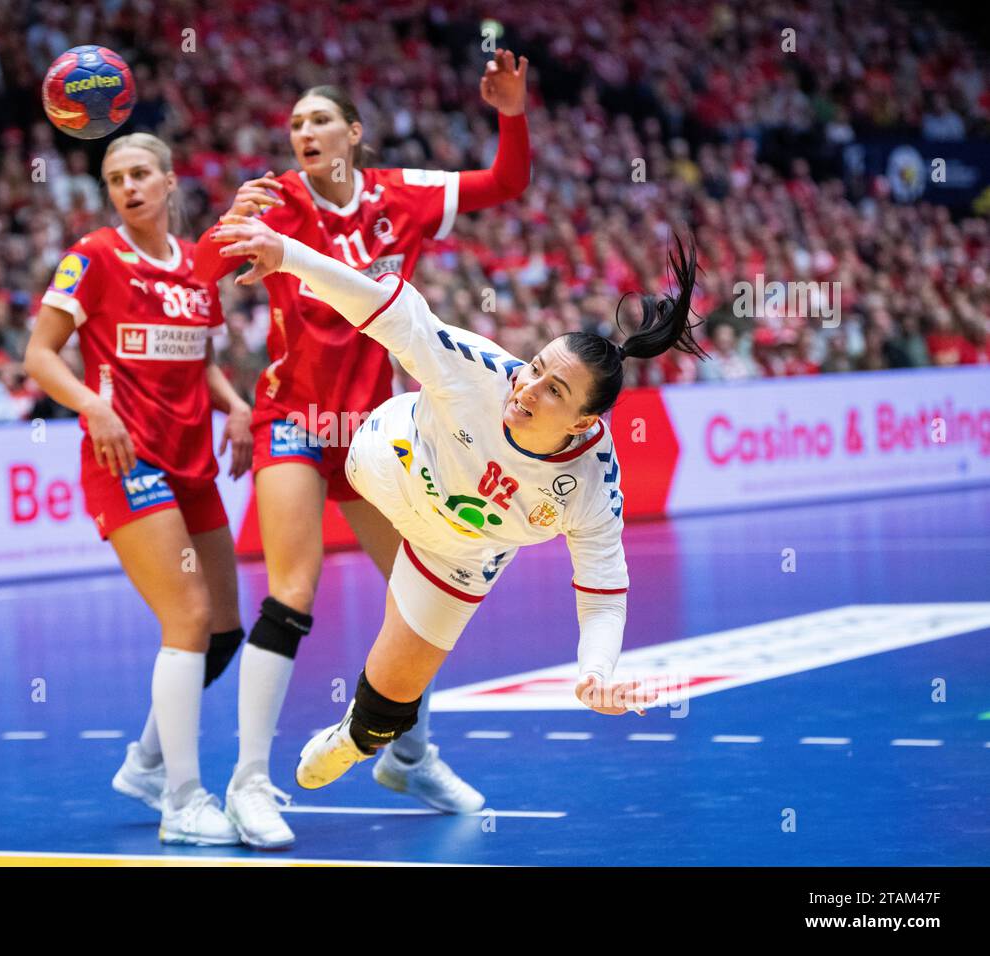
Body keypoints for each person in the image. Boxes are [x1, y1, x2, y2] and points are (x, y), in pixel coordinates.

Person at [210, 216, 707, 789]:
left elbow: (603, 592)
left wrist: (595, 673)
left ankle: (355, 739)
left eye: (554, 392)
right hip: (389, 462)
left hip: (458, 553)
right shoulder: (477, 370)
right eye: (537, 367)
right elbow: (382, 307)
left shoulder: (594, 484)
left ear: (584, 421)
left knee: (386, 715)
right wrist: (289, 255)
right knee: (303, 543)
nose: (528, 388)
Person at [190, 50, 532, 836]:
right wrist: (232, 221)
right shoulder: (275, 199)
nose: (303, 132)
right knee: (293, 592)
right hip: (294, 420)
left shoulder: (401, 197)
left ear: (353, 133)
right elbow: (206, 268)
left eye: (318, 120)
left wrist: (510, 112)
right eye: (295, 124)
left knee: (431, 581)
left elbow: (505, 184)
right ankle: (247, 782)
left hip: (377, 434)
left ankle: (406, 755)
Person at [24, 133, 261, 847]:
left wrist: (238, 406)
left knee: (224, 627)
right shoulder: (93, 256)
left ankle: (147, 760)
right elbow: (38, 355)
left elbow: (200, 359)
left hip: (195, 468)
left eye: (139, 174)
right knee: (186, 617)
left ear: (167, 183)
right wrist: (91, 405)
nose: (127, 187)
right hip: (127, 462)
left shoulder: (194, 267)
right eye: (114, 178)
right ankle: (183, 802)